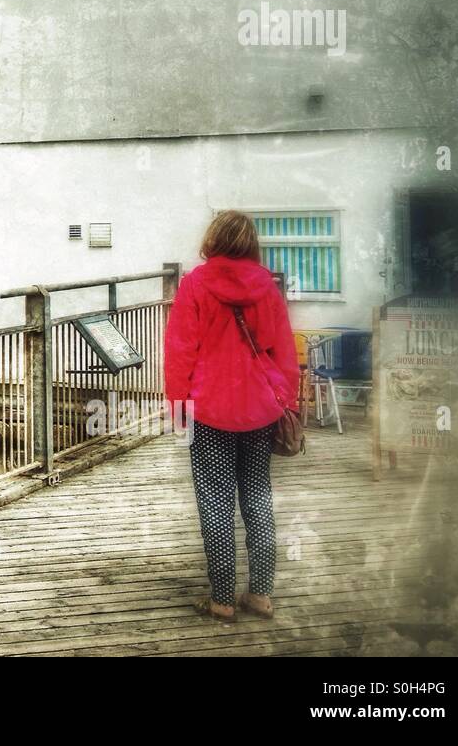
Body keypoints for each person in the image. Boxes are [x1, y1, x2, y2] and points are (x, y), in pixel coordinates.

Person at [164, 210, 299, 623]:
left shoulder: (196, 285)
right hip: (259, 409)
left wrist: (178, 404)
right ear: (251, 243)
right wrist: (287, 401)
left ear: (214, 239)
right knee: (257, 496)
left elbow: (179, 350)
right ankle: (260, 593)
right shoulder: (268, 289)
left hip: (210, 410)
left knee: (215, 500)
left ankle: (222, 598)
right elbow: (284, 351)